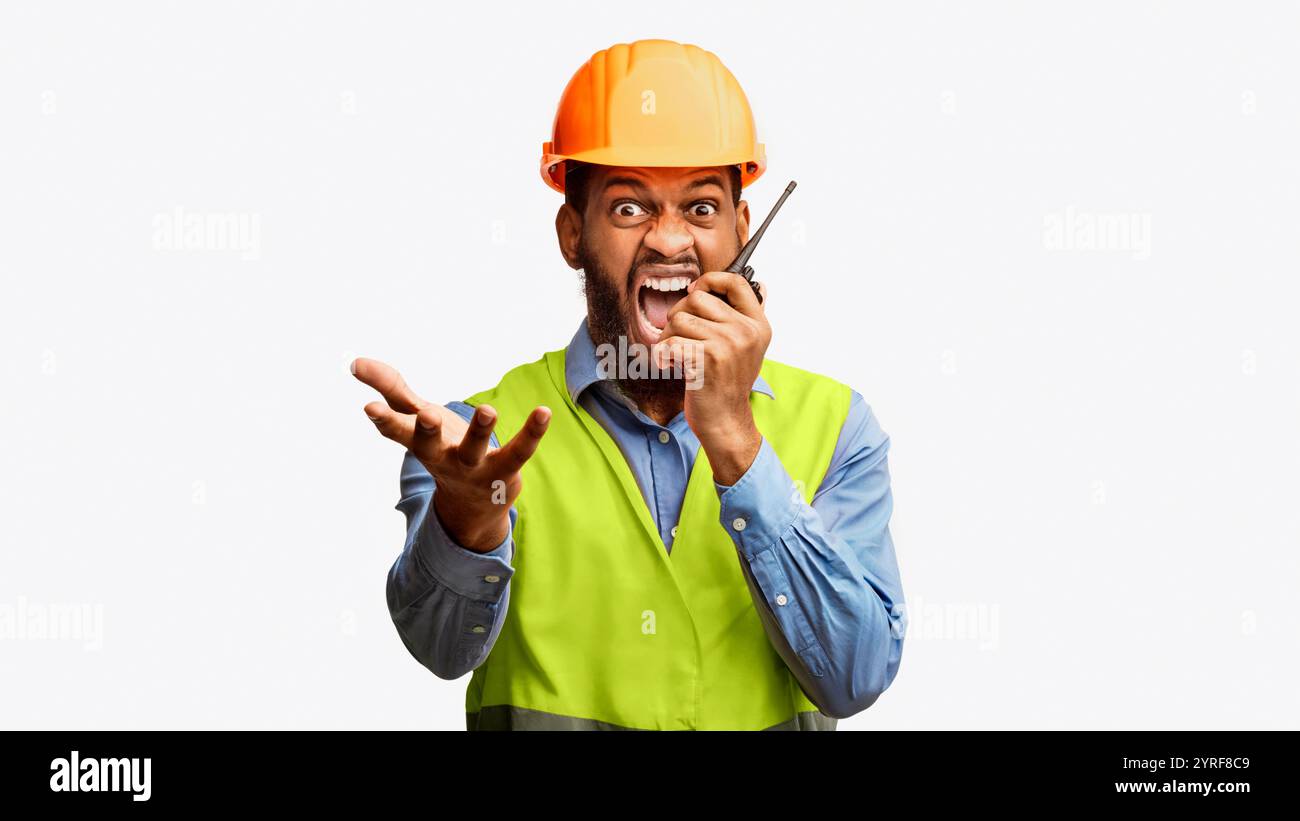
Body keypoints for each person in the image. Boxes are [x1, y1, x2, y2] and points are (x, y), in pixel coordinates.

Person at [352, 38, 906, 730]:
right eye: (628, 208)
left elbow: (854, 676)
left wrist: (736, 437)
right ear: (572, 234)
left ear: (742, 229)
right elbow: (438, 648)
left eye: (701, 209)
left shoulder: (838, 426)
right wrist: (466, 521)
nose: (670, 241)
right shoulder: (477, 440)